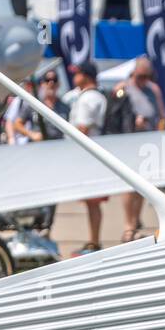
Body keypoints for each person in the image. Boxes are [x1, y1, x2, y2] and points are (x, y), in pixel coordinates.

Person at [104, 56, 165, 241]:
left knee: (143, 186)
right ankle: (128, 225)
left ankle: (136, 220)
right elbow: (113, 114)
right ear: (133, 74)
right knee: (129, 185)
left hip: (148, 143)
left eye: (147, 76)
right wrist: (133, 120)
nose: (143, 80)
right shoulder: (123, 88)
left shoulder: (153, 90)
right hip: (128, 142)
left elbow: (161, 115)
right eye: (140, 76)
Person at [66, 61, 107, 253]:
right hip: (92, 154)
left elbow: (83, 128)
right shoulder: (91, 96)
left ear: (87, 76)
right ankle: (93, 241)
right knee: (91, 202)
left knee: (93, 201)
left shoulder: (88, 98)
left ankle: (94, 242)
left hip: (89, 155)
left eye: (78, 73)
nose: (75, 77)